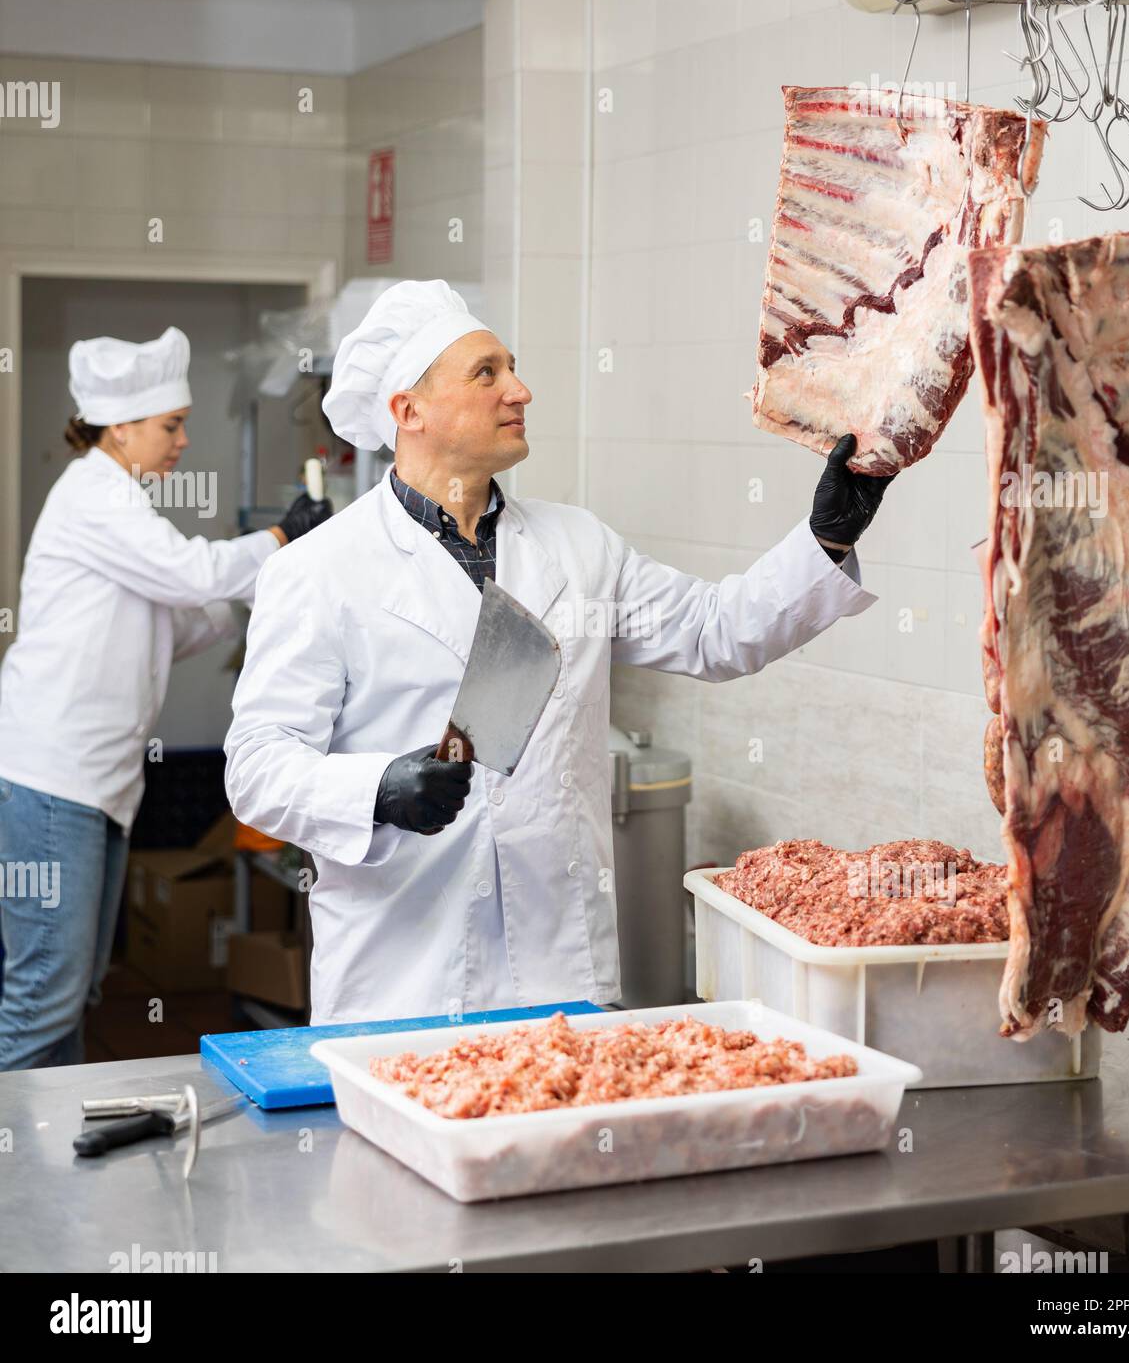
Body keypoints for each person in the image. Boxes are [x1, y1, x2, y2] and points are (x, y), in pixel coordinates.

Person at [224, 281, 891, 1025]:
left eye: (511, 367)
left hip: (560, 972)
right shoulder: (318, 571)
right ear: (407, 412)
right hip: (401, 978)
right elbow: (257, 767)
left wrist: (826, 537)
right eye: (486, 374)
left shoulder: (578, 546)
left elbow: (714, 631)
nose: (520, 390)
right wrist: (375, 789)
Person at [0, 326, 331, 1068]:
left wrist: (271, 581)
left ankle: (49, 1163)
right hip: (53, 778)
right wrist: (282, 538)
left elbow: (179, 622)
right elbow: (191, 577)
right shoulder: (94, 495)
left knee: (76, 987)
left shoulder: (120, 504)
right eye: (170, 425)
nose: (182, 440)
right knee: (43, 996)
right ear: (120, 428)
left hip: (95, 781)